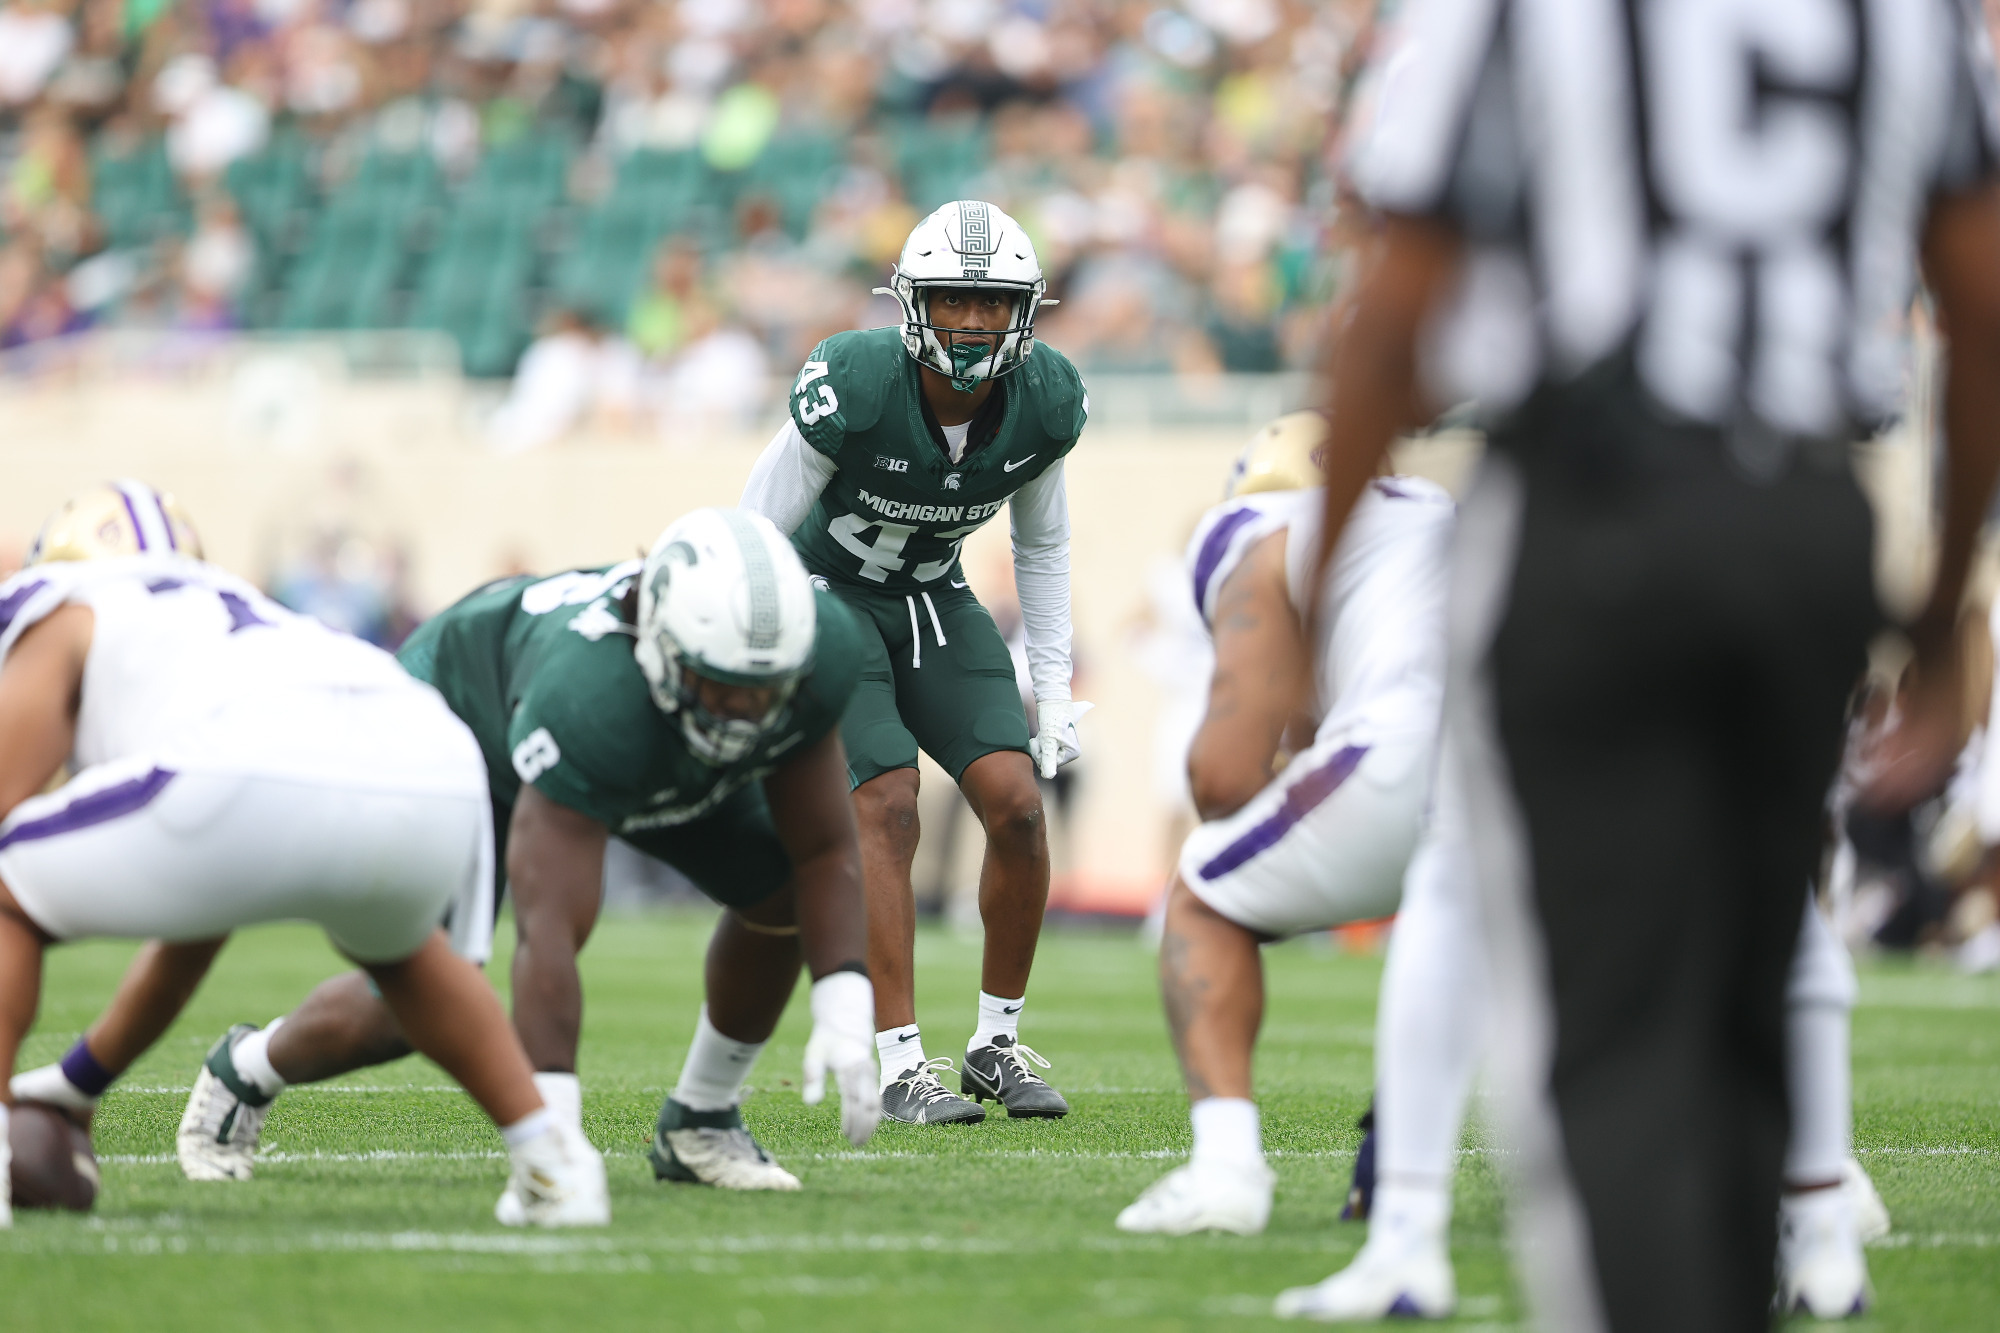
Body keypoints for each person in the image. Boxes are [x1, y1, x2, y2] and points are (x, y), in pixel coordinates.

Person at [1296, 2, 2000, 1328]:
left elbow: (1396, 293)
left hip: (1594, 508)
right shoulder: (1909, 20)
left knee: (1604, 1025)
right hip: (1807, 509)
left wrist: (1306, 597)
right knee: (1751, 988)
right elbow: (1981, 298)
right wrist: (1948, 590)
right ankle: (1798, 1239)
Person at [19, 507, 882, 1191]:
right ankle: (249, 1066)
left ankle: (701, 1117)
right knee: (425, 992)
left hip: (629, 726)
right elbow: (550, 934)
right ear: (657, 641)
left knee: (778, 893)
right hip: (458, 727)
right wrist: (554, 1132)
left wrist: (845, 998)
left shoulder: (810, 651)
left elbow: (822, 849)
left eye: (761, 693)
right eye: (720, 687)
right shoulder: (593, 693)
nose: (742, 716)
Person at [0, 482, 607, 1229]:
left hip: (248, 757)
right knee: (409, 956)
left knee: (7, 891)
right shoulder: (235, 606)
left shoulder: (68, 601)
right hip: (431, 756)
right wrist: (80, 1080)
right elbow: (200, 906)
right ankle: (554, 1163)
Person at [741, 200, 1088, 1124]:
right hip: (827, 595)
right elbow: (759, 524)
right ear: (911, 304)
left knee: (1017, 807)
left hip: (935, 599)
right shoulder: (854, 379)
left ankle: (995, 1044)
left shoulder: (1046, 399)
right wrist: (749, 642)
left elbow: (1042, 546)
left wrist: (1050, 687)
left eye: (991, 302)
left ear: (1024, 310)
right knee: (887, 802)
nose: (972, 321)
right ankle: (899, 1062)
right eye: (951, 300)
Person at [1112, 412, 1453, 1239]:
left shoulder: (1257, 528)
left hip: (1415, 741)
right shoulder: (1438, 506)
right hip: (1589, 762)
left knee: (1204, 890)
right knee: (1470, 922)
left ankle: (1225, 1169)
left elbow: (1222, 774)